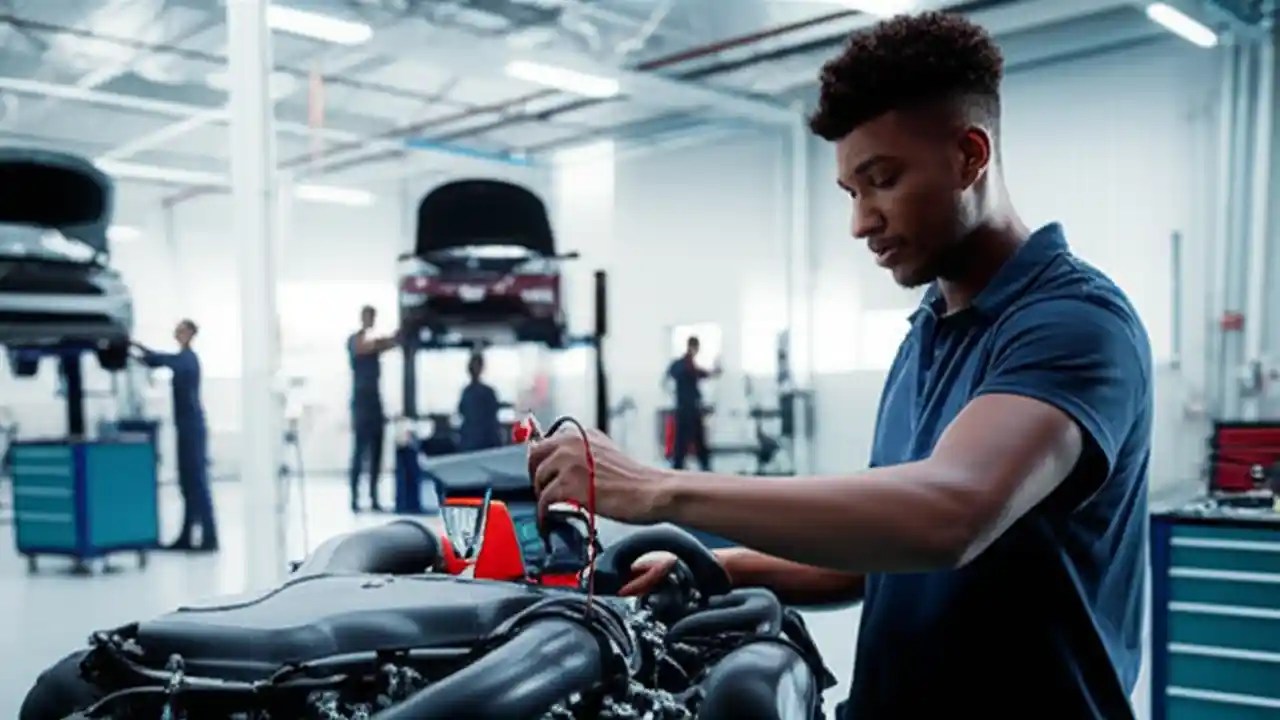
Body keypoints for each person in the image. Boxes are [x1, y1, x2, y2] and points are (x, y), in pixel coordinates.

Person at [527, 12, 1151, 719]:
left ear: (970, 156)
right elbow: (876, 550)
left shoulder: (1073, 322)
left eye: (882, 180)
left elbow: (948, 517)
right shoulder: (928, 330)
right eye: (852, 193)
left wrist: (656, 488)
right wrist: (716, 566)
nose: (861, 222)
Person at [134, 319, 217, 552]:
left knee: (197, 483)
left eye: (181, 330)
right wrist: (138, 350)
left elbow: (163, 361)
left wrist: (141, 352)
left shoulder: (188, 359)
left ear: (190, 334)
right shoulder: (181, 358)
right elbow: (159, 360)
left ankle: (210, 539)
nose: (177, 332)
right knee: (187, 483)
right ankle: (186, 536)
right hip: (184, 426)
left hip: (193, 428)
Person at [347, 305, 397, 512]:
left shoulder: (374, 344)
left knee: (377, 452)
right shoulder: (355, 340)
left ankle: (374, 497)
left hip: (375, 403)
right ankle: (355, 498)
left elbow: (386, 344)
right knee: (360, 452)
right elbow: (366, 347)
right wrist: (386, 341)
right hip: (361, 404)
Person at [664, 336, 720, 470]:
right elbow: (675, 374)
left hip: (691, 409)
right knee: (682, 444)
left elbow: (700, 373)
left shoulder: (689, 366)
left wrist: (712, 373)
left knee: (697, 443)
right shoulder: (681, 365)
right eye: (695, 347)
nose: (695, 350)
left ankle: (704, 468)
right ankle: (682, 469)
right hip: (685, 410)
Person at [457, 352, 503, 452]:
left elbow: (492, 417)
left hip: (484, 440)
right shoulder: (467, 392)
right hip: (471, 440)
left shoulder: (486, 392)